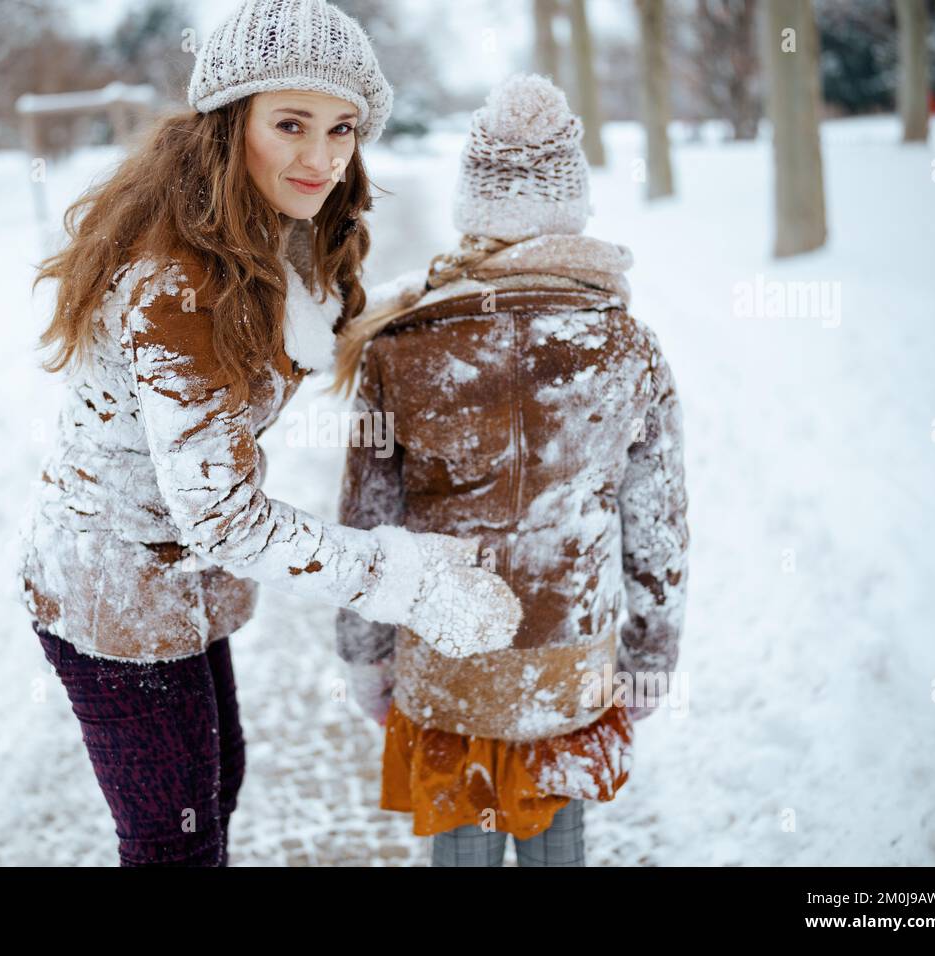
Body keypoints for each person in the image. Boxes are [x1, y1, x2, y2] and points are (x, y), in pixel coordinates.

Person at [16, 0, 522, 867]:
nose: (322, 159)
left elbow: (305, 330)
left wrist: (434, 297)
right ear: (228, 122)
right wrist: (407, 580)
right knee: (177, 844)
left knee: (218, 786)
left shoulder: (260, 238)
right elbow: (223, 518)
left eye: (341, 129)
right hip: (117, 596)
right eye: (291, 124)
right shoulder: (178, 278)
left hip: (186, 584)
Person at [331, 73, 690, 867]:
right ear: (575, 201)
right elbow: (656, 530)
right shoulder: (626, 346)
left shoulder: (402, 346)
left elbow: (365, 524)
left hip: (447, 659)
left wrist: (366, 653)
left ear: (473, 201)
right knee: (556, 830)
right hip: (571, 663)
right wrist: (652, 656)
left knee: (462, 830)